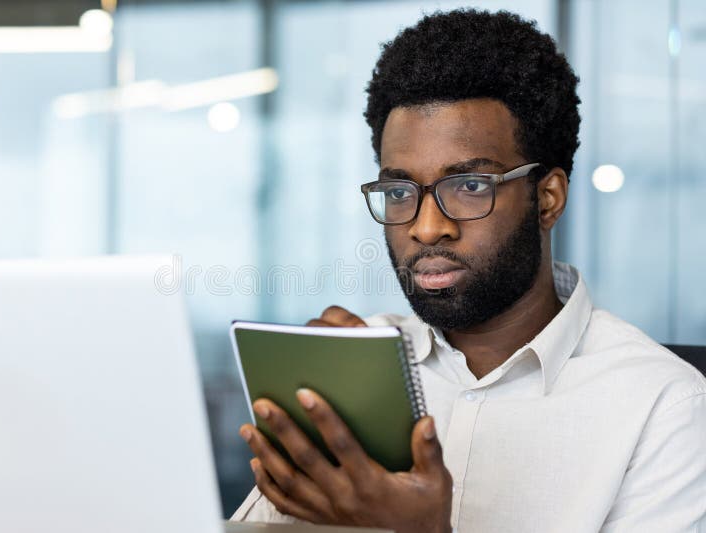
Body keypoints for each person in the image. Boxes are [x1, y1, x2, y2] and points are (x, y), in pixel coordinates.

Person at [231, 9, 706, 533]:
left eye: (470, 186)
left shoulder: (665, 408)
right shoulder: (359, 371)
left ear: (547, 198)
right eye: (398, 192)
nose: (427, 228)